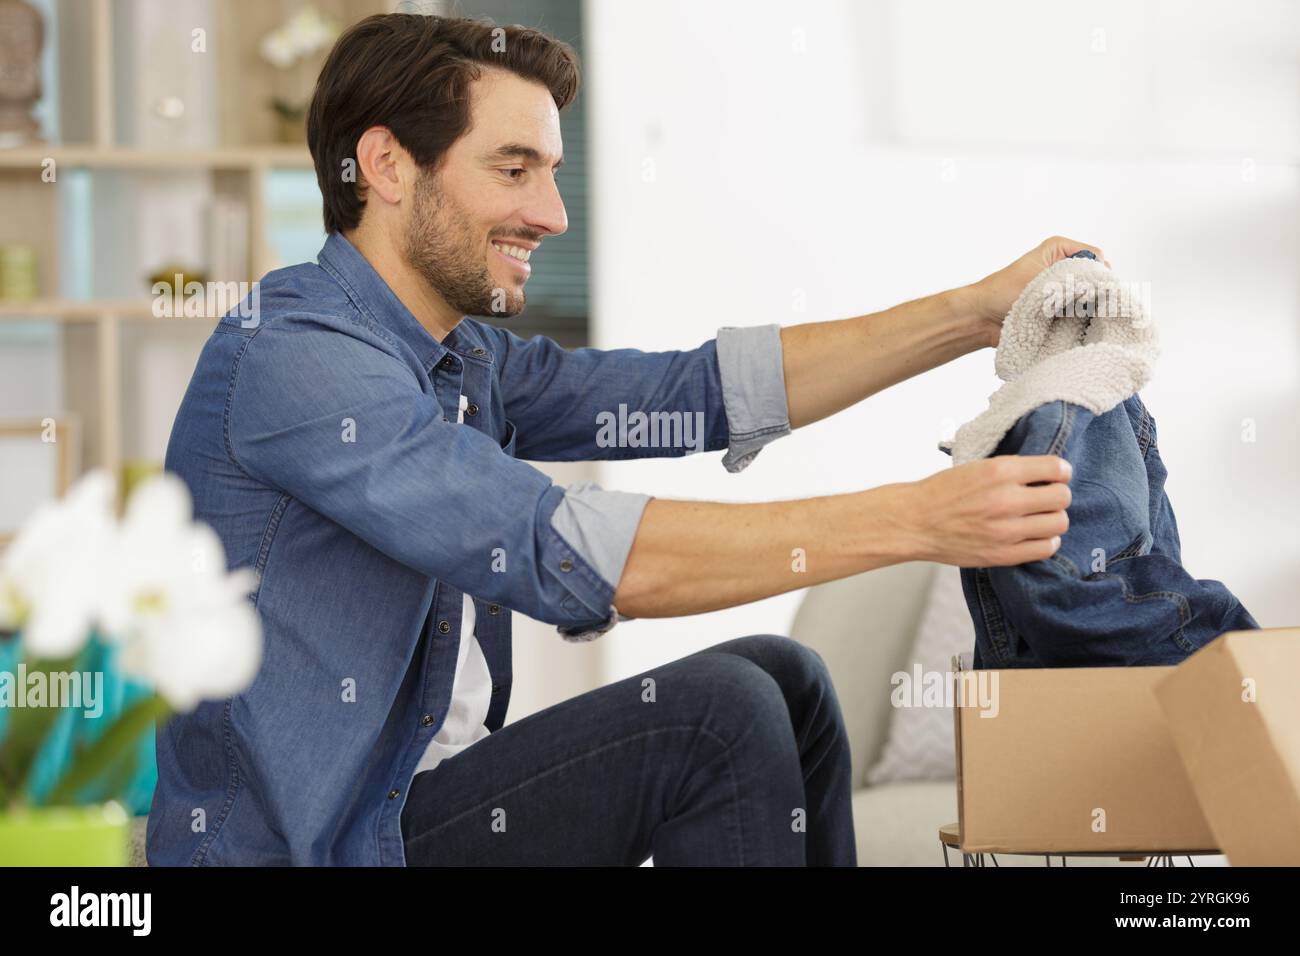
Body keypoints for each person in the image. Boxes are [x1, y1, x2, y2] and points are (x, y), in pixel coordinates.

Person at [149, 13, 1089, 867]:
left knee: (786, 679)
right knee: (718, 718)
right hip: (330, 851)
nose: (553, 214)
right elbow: (564, 551)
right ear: (388, 167)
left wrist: (972, 314)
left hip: (418, 815)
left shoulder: (460, 356)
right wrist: (919, 520)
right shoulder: (297, 357)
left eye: (553, 174)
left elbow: (693, 392)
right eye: (515, 170)